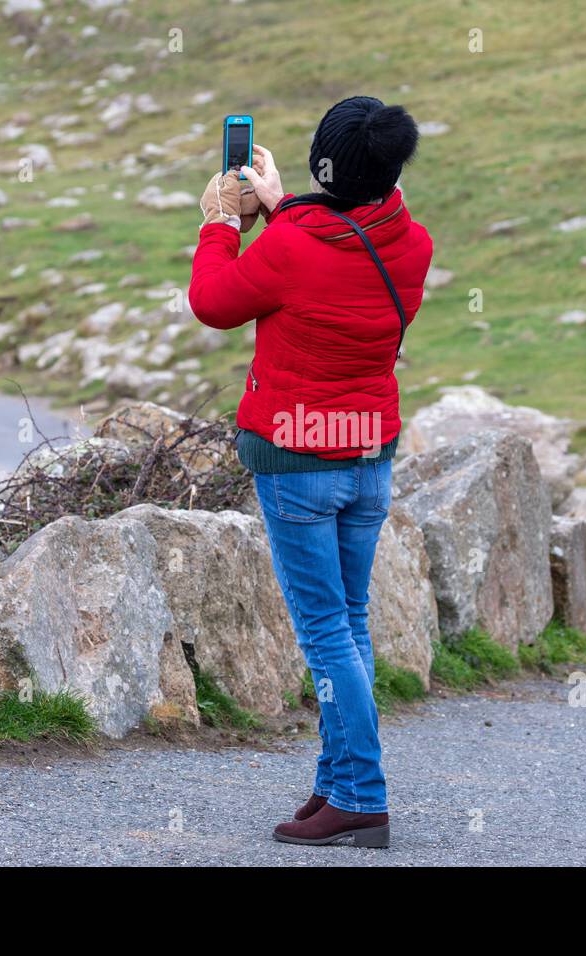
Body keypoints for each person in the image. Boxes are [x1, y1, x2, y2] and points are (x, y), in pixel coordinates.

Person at [189, 96, 431, 849]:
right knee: (348, 623)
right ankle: (336, 781)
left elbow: (212, 302)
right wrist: (282, 204)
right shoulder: (411, 243)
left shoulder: (290, 247)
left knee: (325, 632)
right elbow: (353, 231)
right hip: (368, 457)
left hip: (299, 463)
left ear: (326, 168)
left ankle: (360, 794)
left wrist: (222, 222)